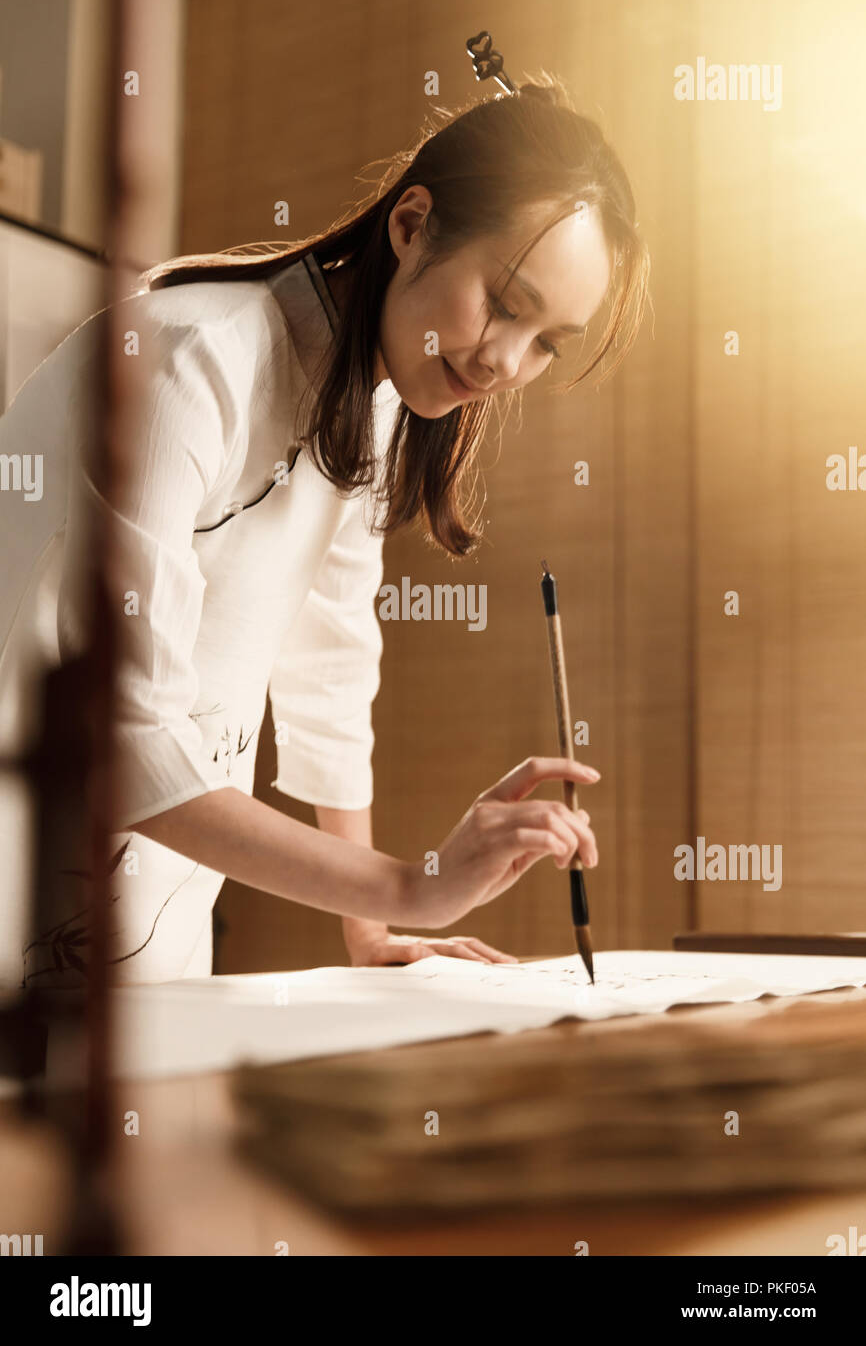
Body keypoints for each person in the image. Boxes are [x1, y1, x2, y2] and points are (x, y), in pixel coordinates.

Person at [0, 74, 650, 987]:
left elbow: (330, 674)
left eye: (548, 341)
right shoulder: (184, 364)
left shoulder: (369, 410)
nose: (508, 362)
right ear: (412, 223)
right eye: (504, 302)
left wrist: (371, 925)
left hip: (146, 955)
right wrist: (409, 886)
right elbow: (124, 741)